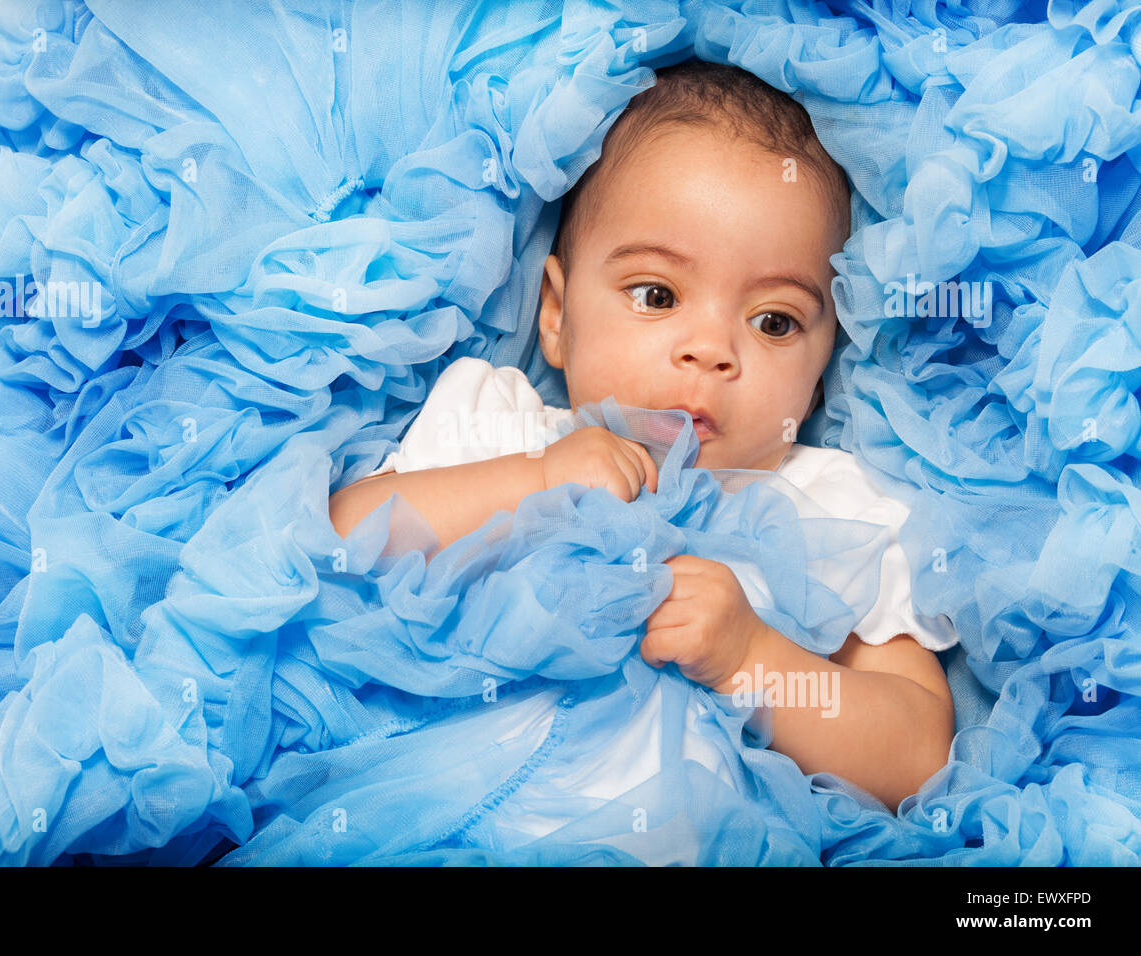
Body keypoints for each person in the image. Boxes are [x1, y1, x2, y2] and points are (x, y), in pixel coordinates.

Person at [330, 59, 956, 811]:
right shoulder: (500, 425)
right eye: (657, 295)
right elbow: (337, 541)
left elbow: (918, 752)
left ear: (822, 371)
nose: (711, 349)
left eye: (774, 321)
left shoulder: (833, 508)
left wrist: (754, 658)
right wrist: (530, 482)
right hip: (433, 814)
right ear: (557, 316)